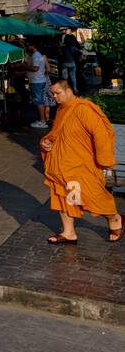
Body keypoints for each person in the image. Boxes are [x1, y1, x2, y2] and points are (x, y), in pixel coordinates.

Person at [40, 79, 122, 245]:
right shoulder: (62, 110)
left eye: (57, 93)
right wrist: (47, 142)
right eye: (53, 94)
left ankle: (115, 218)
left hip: (82, 166)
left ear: (69, 91)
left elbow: (102, 134)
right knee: (63, 196)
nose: (54, 97)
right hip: (62, 166)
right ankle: (69, 232)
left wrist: (105, 162)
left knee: (92, 196)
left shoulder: (84, 109)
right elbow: (57, 133)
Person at [27, 44, 50, 128]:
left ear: (33, 46)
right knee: (39, 100)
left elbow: (35, 68)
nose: (28, 47)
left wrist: (25, 66)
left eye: (29, 45)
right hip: (38, 80)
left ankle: (42, 121)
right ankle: (42, 119)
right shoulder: (37, 55)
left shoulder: (36, 56)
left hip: (37, 81)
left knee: (38, 101)